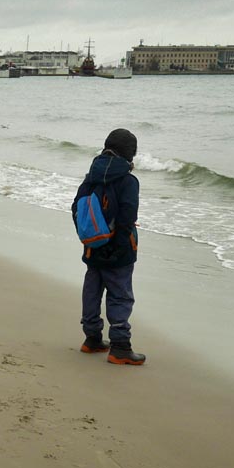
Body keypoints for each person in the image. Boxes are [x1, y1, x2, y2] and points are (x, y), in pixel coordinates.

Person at [71, 128, 145, 365]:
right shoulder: (128, 181)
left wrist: (88, 238)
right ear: (130, 154)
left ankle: (92, 338)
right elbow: (127, 217)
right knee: (120, 295)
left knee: (92, 289)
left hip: (92, 245)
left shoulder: (91, 176)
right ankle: (120, 347)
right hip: (119, 251)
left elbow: (76, 208)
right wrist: (118, 247)